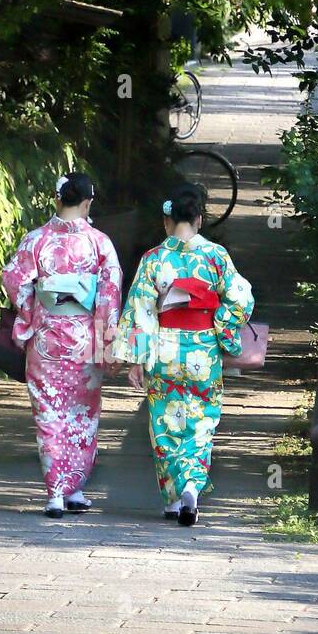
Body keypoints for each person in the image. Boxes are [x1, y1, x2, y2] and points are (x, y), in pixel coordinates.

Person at [113, 183, 254, 526]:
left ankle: (174, 499)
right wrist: (222, 328)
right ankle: (192, 484)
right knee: (202, 421)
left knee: (165, 422)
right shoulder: (215, 256)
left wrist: (137, 359)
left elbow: (141, 310)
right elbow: (241, 298)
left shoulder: (154, 259)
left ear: (167, 220)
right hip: (203, 350)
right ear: (199, 219)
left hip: (164, 350)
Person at [1, 172, 123, 518]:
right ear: (88, 202)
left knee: (49, 414)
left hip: (46, 340)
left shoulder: (36, 240)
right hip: (84, 339)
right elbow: (109, 295)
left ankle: (58, 492)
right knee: (82, 415)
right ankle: (74, 488)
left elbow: (14, 280)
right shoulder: (99, 243)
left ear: (58, 199)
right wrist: (108, 342)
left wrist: (31, 315)